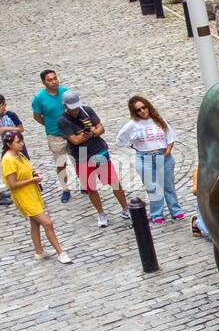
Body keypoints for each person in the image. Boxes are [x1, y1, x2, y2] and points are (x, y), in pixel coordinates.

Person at [57, 89, 129, 228]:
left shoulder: (87, 110)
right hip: (82, 156)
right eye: (72, 108)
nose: (76, 110)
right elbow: (75, 140)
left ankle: (125, 208)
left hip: (98, 150)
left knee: (114, 181)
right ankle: (101, 213)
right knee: (91, 188)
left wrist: (90, 133)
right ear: (65, 106)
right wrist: (91, 133)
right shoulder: (62, 120)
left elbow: (101, 128)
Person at [1, 132, 72, 264]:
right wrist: (32, 180)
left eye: (21, 141)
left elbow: (26, 170)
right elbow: (12, 184)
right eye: (18, 142)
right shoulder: (8, 160)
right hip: (23, 196)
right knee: (47, 223)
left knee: (35, 223)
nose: (21, 144)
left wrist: (33, 174)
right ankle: (60, 252)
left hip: (32, 193)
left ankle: (39, 251)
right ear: (9, 144)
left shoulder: (19, 154)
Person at [116, 95, 186, 225]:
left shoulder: (159, 120)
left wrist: (168, 151)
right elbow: (120, 139)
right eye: (138, 110)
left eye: (144, 107)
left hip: (163, 156)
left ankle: (175, 210)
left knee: (168, 185)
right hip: (145, 158)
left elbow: (170, 137)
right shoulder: (132, 125)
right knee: (153, 188)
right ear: (134, 112)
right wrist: (133, 145)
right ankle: (156, 213)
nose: (142, 111)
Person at [31, 69, 75, 204]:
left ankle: (85, 184)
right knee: (61, 163)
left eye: (55, 78)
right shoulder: (39, 98)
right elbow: (37, 116)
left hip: (72, 132)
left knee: (79, 160)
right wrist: (49, 125)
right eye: (50, 80)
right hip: (55, 135)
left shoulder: (65, 92)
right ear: (44, 82)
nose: (54, 81)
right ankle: (65, 189)